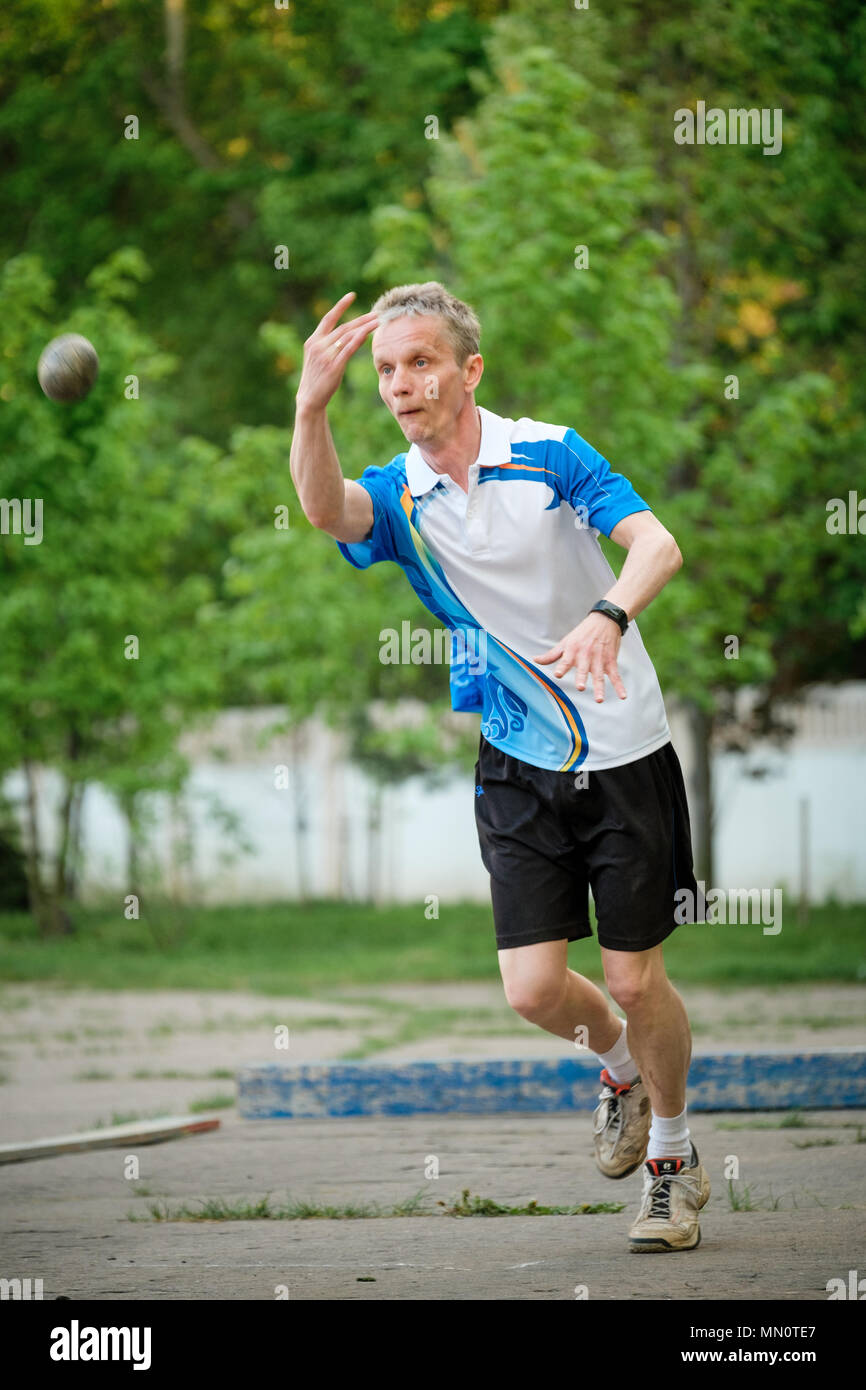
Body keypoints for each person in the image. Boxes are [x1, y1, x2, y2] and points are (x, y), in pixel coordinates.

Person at [290, 281, 710, 1252]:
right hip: (516, 756)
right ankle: (615, 1070)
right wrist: (309, 405)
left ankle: (672, 1161)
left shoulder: (549, 454)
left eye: (421, 361)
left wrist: (609, 616)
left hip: (623, 747)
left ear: (467, 370)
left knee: (636, 979)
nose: (401, 382)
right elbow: (324, 509)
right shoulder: (400, 495)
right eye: (386, 368)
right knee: (529, 989)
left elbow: (656, 544)